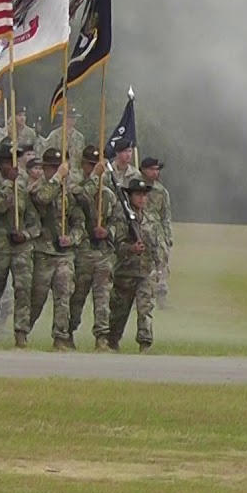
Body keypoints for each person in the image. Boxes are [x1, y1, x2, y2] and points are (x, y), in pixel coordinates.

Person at [0, 144, 40, 348]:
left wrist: (24, 235)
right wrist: (9, 183)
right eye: (8, 163)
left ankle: (21, 332)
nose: (13, 167)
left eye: (15, 163)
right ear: (1, 165)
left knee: (23, 289)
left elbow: (35, 223)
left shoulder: (22, 189)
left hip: (21, 248)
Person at [28, 148, 85, 350]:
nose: (55, 171)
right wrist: (57, 178)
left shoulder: (70, 192)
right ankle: (23, 332)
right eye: (51, 168)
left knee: (64, 295)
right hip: (43, 251)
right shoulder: (37, 187)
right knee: (37, 297)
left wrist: (72, 238)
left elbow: (79, 221)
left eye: (58, 167)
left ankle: (60, 336)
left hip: (64, 254)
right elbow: (42, 198)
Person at [69, 145, 118, 349]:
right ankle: (67, 333)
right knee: (77, 297)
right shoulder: (75, 185)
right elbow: (79, 197)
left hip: (103, 253)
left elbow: (118, 220)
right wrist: (93, 179)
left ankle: (101, 337)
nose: (94, 169)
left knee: (102, 298)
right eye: (90, 165)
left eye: (97, 166)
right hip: (82, 252)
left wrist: (108, 232)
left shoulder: (108, 195)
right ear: (83, 165)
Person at [109, 178, 162, 352]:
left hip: (146, 271)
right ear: (130, 197)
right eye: (138, 195)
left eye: (144, 195)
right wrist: (131, 248)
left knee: (145, 307)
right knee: (119, 311)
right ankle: (112, 341)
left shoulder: (151, 218)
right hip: (125, 271)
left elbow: (155, 245)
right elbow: (116, 244)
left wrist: (159, 267)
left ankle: (145, 342)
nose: (142, 199)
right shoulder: (121, 217)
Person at [140, 157, 174, 308]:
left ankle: (161, 295)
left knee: (161, 265)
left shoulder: (161, 191)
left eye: (157, 169)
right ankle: (140, 295)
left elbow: (165, 216)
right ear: (143, 170)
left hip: (157, 233)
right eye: (152, 169)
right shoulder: (136, 188)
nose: (155, 172)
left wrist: (168, 236)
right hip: (140, 230)